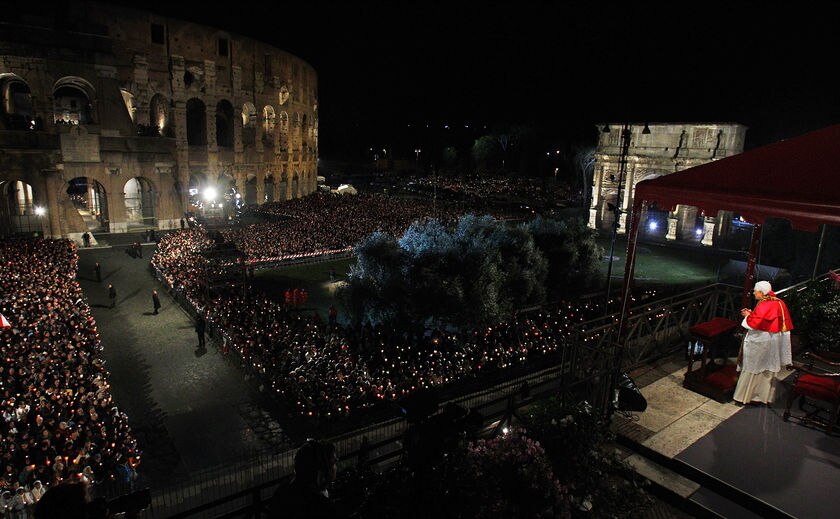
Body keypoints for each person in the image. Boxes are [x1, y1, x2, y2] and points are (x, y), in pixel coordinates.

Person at [734, 280, 794, 405]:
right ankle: (762, 397)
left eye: (755, 291)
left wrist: (747, 315)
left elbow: (755, 323)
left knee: (753, 367)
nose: (754, 293)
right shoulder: (778, 302)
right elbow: (763, 320)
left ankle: (745, 396)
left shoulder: (764, 305)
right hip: (772, 342)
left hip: (760, 342)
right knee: (766, 369)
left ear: (761, 292)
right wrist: (752, 314)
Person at [266, 439, 338, 518]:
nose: (336, 466)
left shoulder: (282, 491)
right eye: (334, 462)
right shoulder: (323, 508)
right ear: (322, 472)